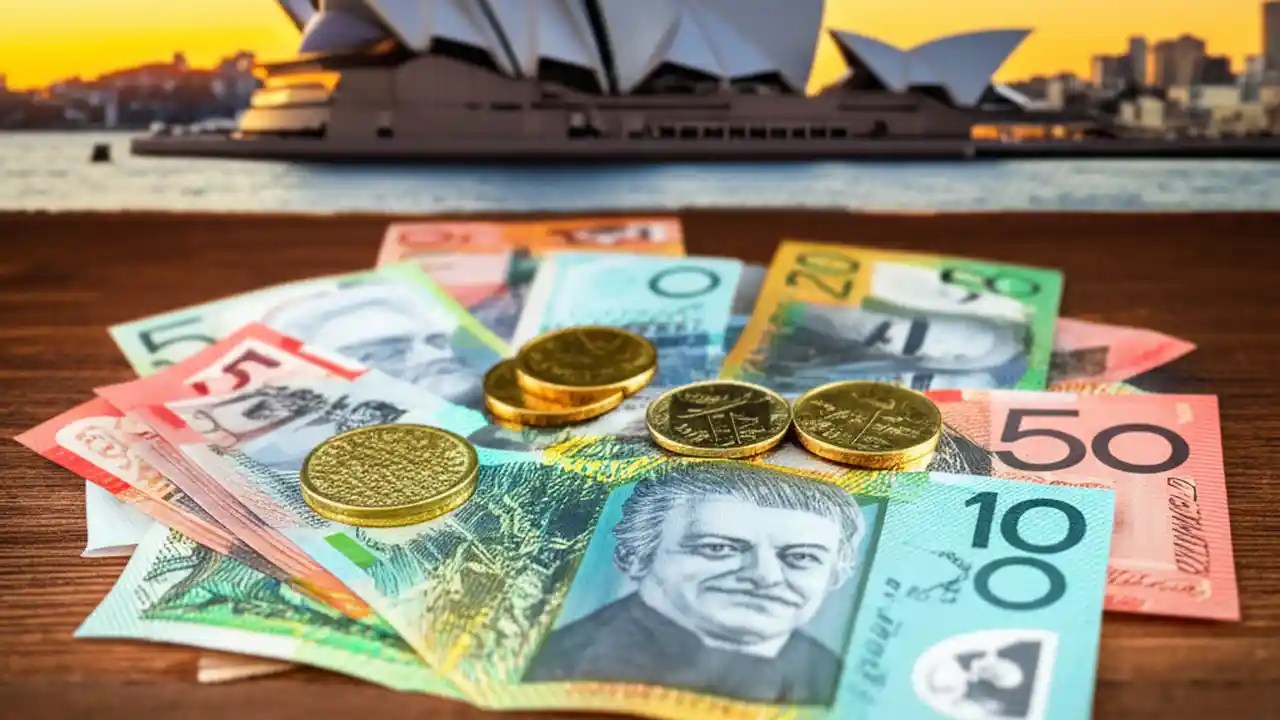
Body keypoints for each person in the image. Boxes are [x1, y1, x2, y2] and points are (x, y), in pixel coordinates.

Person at [523, 463, 867, 705]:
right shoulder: (561, 665)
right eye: (717, 548)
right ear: (635, 557)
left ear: (836, 574)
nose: (765, 576)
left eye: (802, 557)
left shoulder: (834, 674)